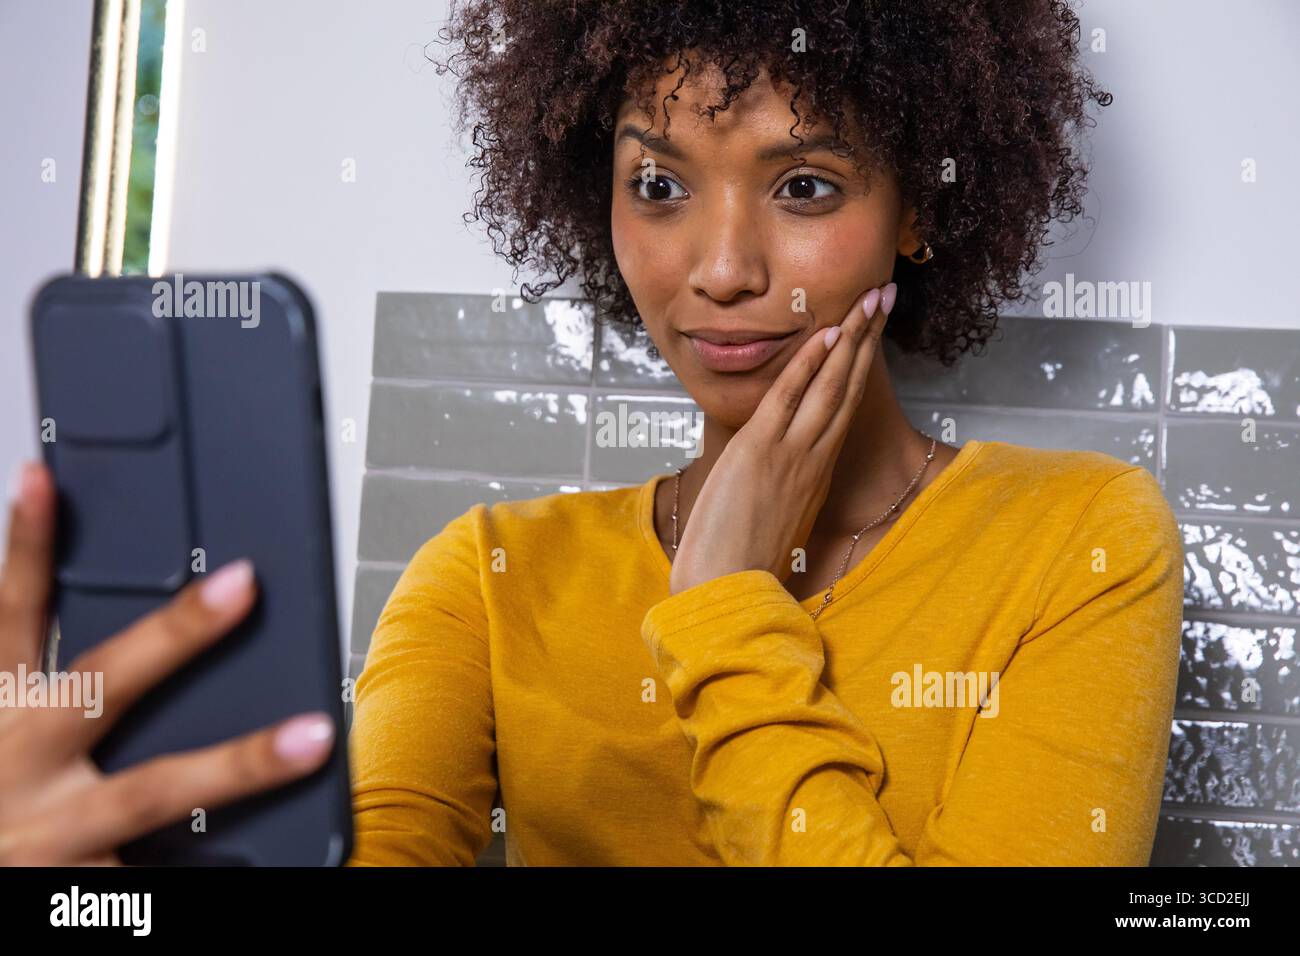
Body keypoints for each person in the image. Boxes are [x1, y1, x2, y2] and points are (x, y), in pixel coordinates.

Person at [0, 0, 1184, 866]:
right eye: (659, 186)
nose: (721, 270)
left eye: (806, 184)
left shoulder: (1077, 539)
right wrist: (86, 892)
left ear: (916, 208)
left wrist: (722, 607)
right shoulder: (490, 577)